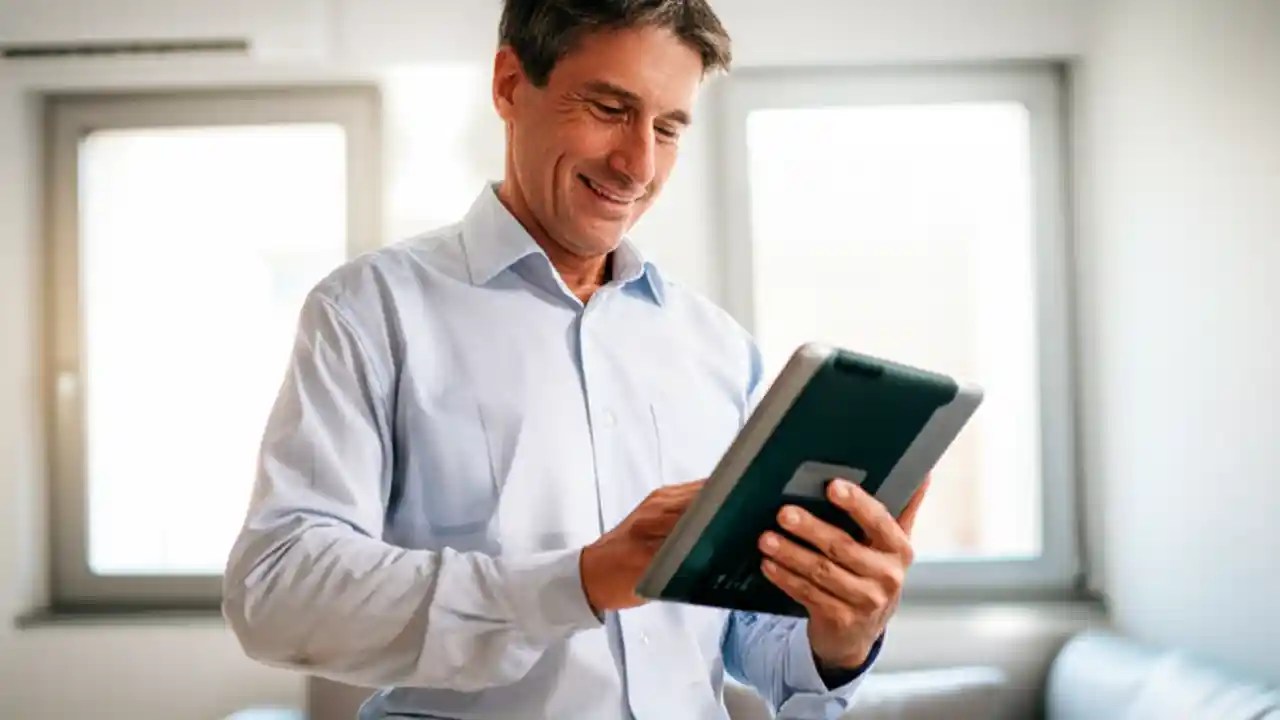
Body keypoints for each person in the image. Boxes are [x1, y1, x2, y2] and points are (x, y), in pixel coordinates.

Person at [223, 1, 929, 718]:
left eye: (667, 128)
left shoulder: (718, 349)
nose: (638, 165)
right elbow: (277, 593)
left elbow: (745, 635)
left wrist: (840, 637)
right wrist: (579, 582)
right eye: (609, 108)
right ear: (509, 84)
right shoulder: (371, 311)